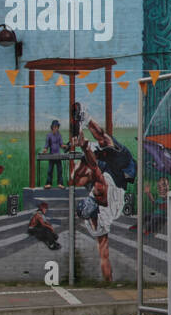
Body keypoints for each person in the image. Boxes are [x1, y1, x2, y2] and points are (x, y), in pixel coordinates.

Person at [70, 140, 126, 282]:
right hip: (114, 193)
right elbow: (94, 166)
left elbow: (104, 256)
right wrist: (85, 148)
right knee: (91, 173)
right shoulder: (100, 188)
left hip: (110, 210)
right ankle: (108, 280)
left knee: (103, 252)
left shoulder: (95, 222)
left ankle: (108, 280)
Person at [42, 119, 65, 188]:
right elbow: (47, 144)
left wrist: (65, 146)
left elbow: (61, 145)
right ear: (52, 127)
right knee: (50, 170)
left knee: (60, 170)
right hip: (51, 155)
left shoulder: (59, 135)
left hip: (58, 155)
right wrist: (45, 149)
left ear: (58, 127)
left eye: (57, 127)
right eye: (54, 127)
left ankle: (60, 183)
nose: (55, 128)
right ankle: (49, 183)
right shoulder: (49, 135)